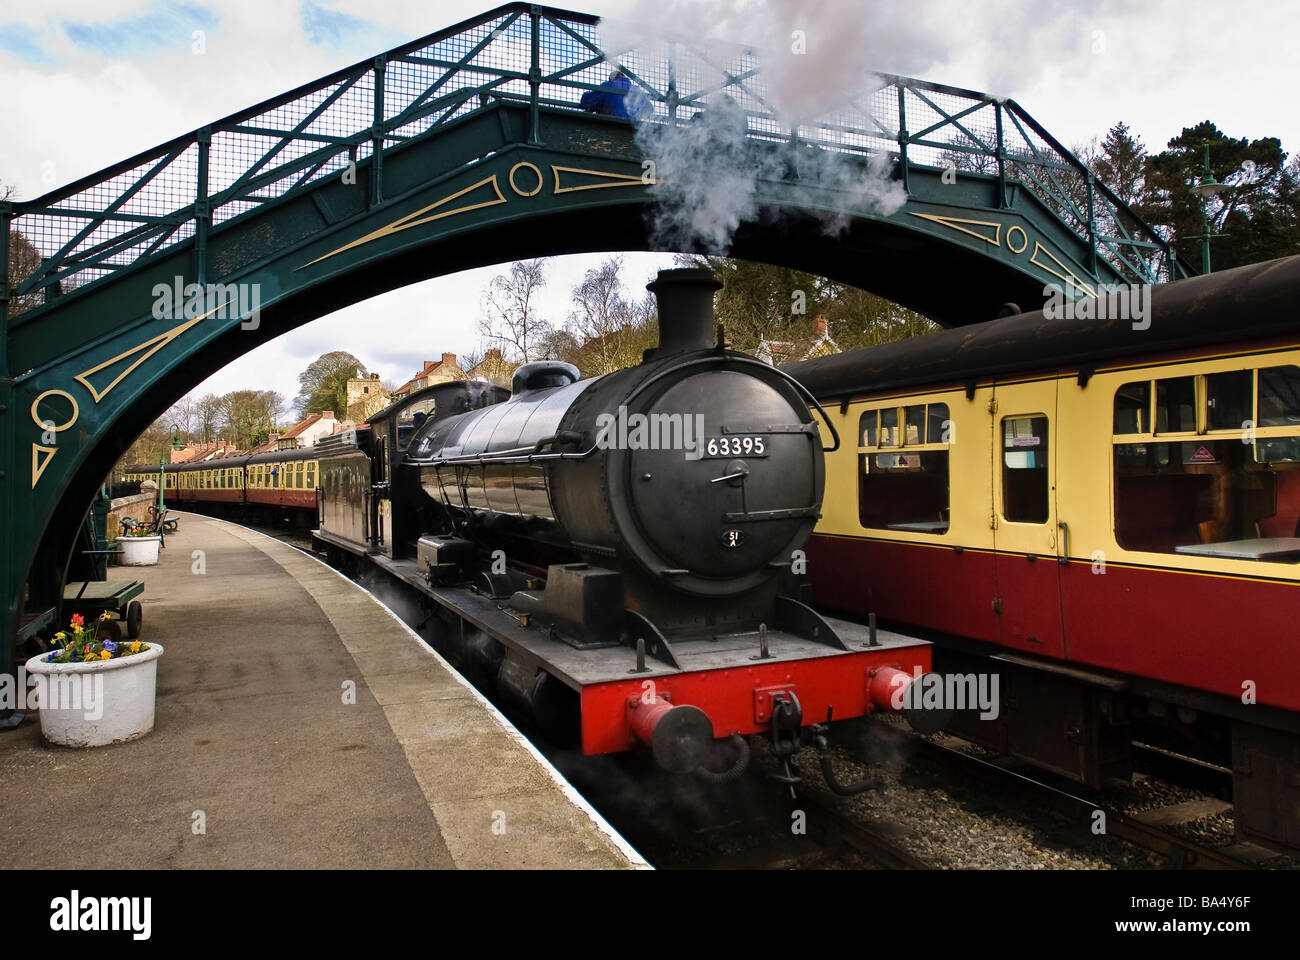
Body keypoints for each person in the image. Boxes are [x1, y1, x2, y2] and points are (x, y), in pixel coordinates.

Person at [580, 68, 650, 121]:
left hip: (612, 121)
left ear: (612, 78)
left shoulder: (609, 84)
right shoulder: (637, 90)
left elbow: (589, 100)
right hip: (632, 126)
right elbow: (649, 109)